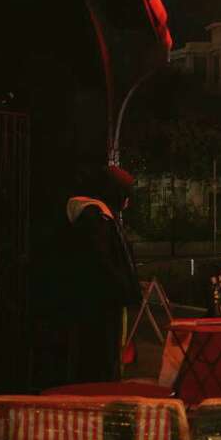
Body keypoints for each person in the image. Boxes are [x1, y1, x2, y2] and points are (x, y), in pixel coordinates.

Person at [57, 163, 142, 383]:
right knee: (101, 360)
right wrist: (124, 288)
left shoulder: (96, 215)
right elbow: (104, 263)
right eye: (125, 194)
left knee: (103, 357)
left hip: (100, 303)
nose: (127, 202)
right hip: (102, 306)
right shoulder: (96, 217)